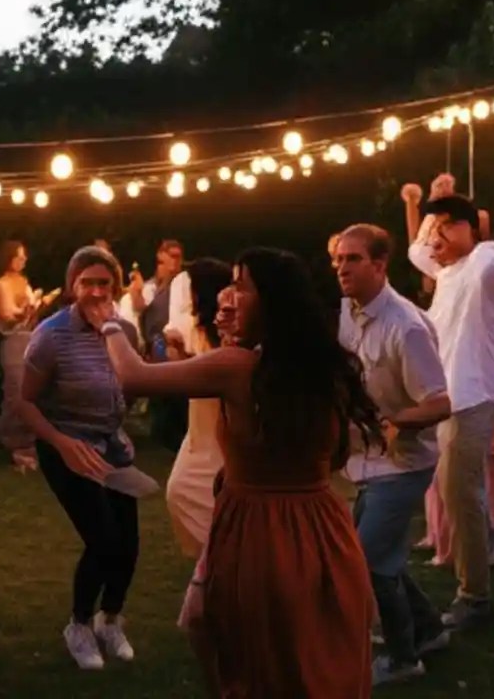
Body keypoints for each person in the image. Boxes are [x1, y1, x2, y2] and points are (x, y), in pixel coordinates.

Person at [90, 247, 378, 697]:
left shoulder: (238, 368)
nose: (228, 295)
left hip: (260, 528)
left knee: (256, 660)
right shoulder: (324, 368)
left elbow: (133, 376)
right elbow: (336, 455)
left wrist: (109, 322)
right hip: (325, 528)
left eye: (241, 286)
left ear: (271, 301)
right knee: (314, 654)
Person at [334, 224, 452, 685]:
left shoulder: (407, 326)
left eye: (353, 259)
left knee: (365, 564)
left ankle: (403, 658)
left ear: (380, 265)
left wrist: (398, 422)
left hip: (403, 464)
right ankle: (429, 630)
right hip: (366, 459)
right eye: (338, 259)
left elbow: (441, 402)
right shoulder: (347, 312)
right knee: (379, 556)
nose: (341, 268)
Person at [17, 246, 142, 671]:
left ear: (116, 287)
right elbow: (25, 402)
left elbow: (132, 384)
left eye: (104, 283)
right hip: (67, 449)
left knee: (129, 544)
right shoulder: (51, 336)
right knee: (103, 541)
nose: (96, 292)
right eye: (87, 283)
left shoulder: (123, 331)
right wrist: (60, 441)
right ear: (72, 286)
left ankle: (111, 619)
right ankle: (80, 625)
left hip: (114, 447)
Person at [403, 179, 494, 630]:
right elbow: (416, 251)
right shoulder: (447, 274)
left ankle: (475, 596)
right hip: (450, 397)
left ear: (473, 229)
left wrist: (461, 223)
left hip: (477, 393)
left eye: (450, 226)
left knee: (460, 489)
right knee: (455, 490)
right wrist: (424, 210)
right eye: (437, 228)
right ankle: (473, 581)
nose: (438, 236)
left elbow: (482, 259)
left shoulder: (490, 258)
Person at [163, 259, 234, 557]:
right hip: (201, 425)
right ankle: (218, 556)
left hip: (219, 426)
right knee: (181, 489)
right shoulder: (199, 330)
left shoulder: (226, 334)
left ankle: (224, 555)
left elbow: (205, 374)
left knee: (199, 491)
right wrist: (180, 352)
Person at [0, 240, 58, 472]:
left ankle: (31, 444)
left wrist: (39, 305)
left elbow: (31, 315)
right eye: (19, 257)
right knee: (16, 391)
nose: (23, 260)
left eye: (24, 257)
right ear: (9, 258)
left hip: (31, 338)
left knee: (33, 391)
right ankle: (15, 443)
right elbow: (7, 315)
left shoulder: (24, 282)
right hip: (14, 340)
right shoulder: (0, 285)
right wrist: (25, 309)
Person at [129, 239, 189, 451]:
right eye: (170, 257)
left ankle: (175, 439)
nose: (175, 262)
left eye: (178, 257)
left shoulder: (184, 283)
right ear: (159, 258)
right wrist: (136, 291)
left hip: (174, 344)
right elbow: (140, 309)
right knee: (161, 396)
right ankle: (164, 438)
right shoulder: (151, 286)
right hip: (155, 345)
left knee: (174, 394)